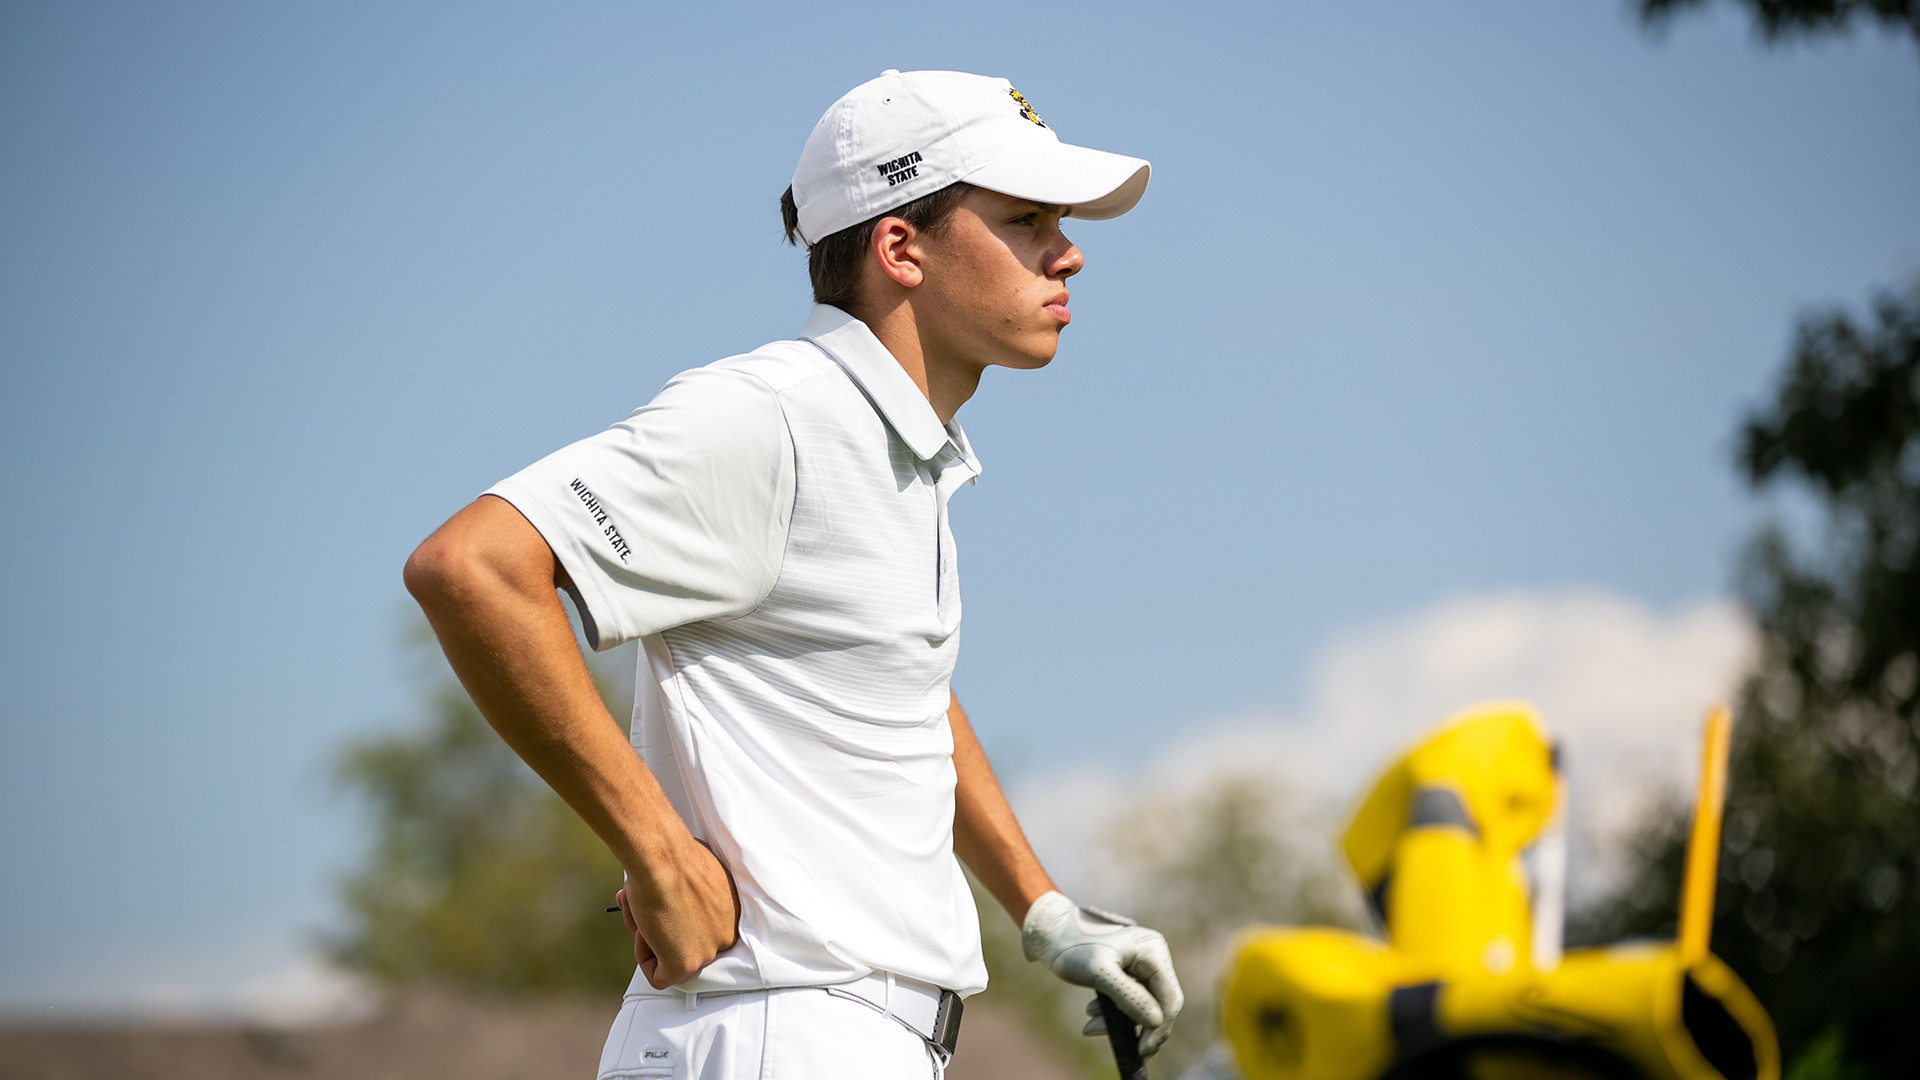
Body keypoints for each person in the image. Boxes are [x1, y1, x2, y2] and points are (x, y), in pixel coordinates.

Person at [404, 69, 1182, 1078]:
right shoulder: (777, 413)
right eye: (1027, 221)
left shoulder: (885, 443)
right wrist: (657, 850)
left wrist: (1044, 910)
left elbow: (899, 691)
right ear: (900, 248)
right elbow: (472, 566)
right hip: (783, 1030)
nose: (1067, 253)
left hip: (831, 1034)